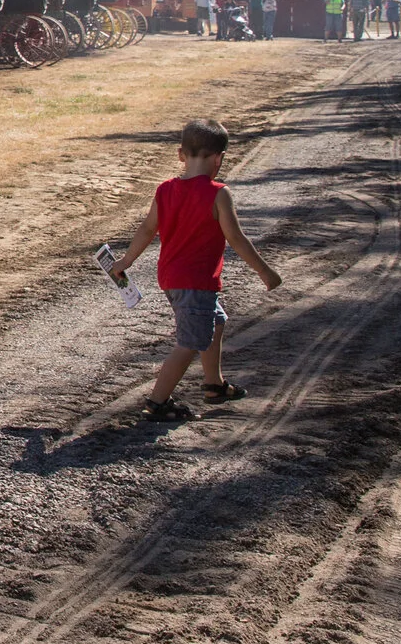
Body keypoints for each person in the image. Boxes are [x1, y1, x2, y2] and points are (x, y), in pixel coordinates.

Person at [112, 119, 283, 421]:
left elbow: (147, 229)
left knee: (215, 322)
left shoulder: (165, 190)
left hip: (171, 278)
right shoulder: (218, 193)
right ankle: (157, 402)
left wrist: (126, 262)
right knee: (188, 343)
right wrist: (265, 272)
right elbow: (236, 238)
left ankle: (213, 384)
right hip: (196, 282)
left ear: (181, 154)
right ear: (219, 158)